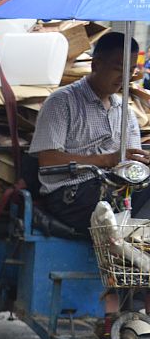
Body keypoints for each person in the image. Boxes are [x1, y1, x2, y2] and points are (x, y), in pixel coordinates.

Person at [30, 31, 150, 232]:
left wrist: (140, 161)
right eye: (118, 69)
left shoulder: (125, 112)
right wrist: (106, 160)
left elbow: (131, 166)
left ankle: (137, 244)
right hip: (71, 195)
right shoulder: (62, 102)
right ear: (96, 64)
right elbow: (47, 160)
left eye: (130, 70)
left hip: (115, 189)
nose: (125, 77)